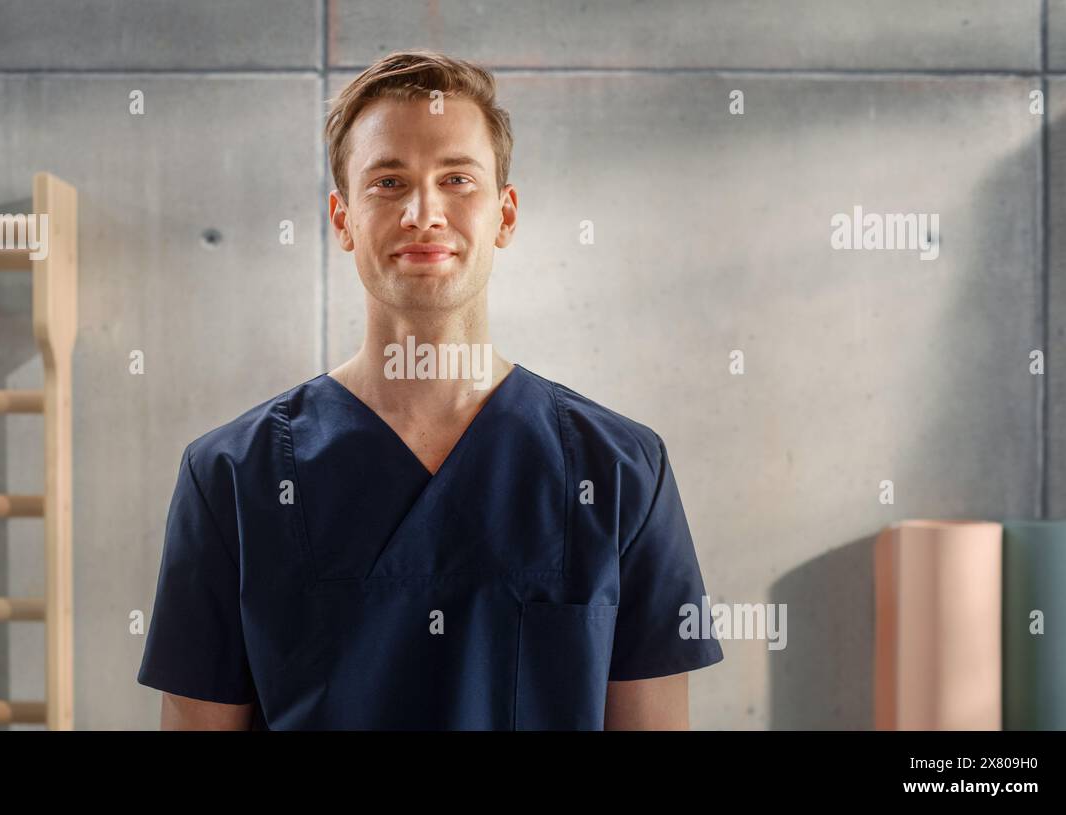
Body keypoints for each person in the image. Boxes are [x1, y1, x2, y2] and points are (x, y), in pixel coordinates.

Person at [137, 49, 723, 730]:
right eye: (388, 182)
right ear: (342, 219)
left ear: (505, 215)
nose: (424, 212)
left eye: (457, 179)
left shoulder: (622, 470)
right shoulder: (231, 477)